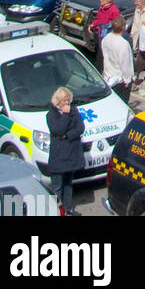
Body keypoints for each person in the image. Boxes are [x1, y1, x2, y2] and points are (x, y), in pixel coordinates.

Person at [46, 86, 84, 216]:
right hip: (58, 157)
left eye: (68, 100)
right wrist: (66, 115)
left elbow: (80, 128)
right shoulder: (51, 115)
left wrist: (67, 136)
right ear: (58, 101)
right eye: (64, 101)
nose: (67, 103)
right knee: (57, 186)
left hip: (71, 154)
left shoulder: (74, 110)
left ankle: (69, 209)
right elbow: (58, 130)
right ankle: (55, 211)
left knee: (68, 184)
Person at [102, 16, 135, 105]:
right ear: (124, 28)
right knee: (122, 104)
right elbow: (125, 63)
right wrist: (127, 80)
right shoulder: (123, 44)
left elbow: (104, 56)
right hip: (120, 80)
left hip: (108, 77)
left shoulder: (106, 38)